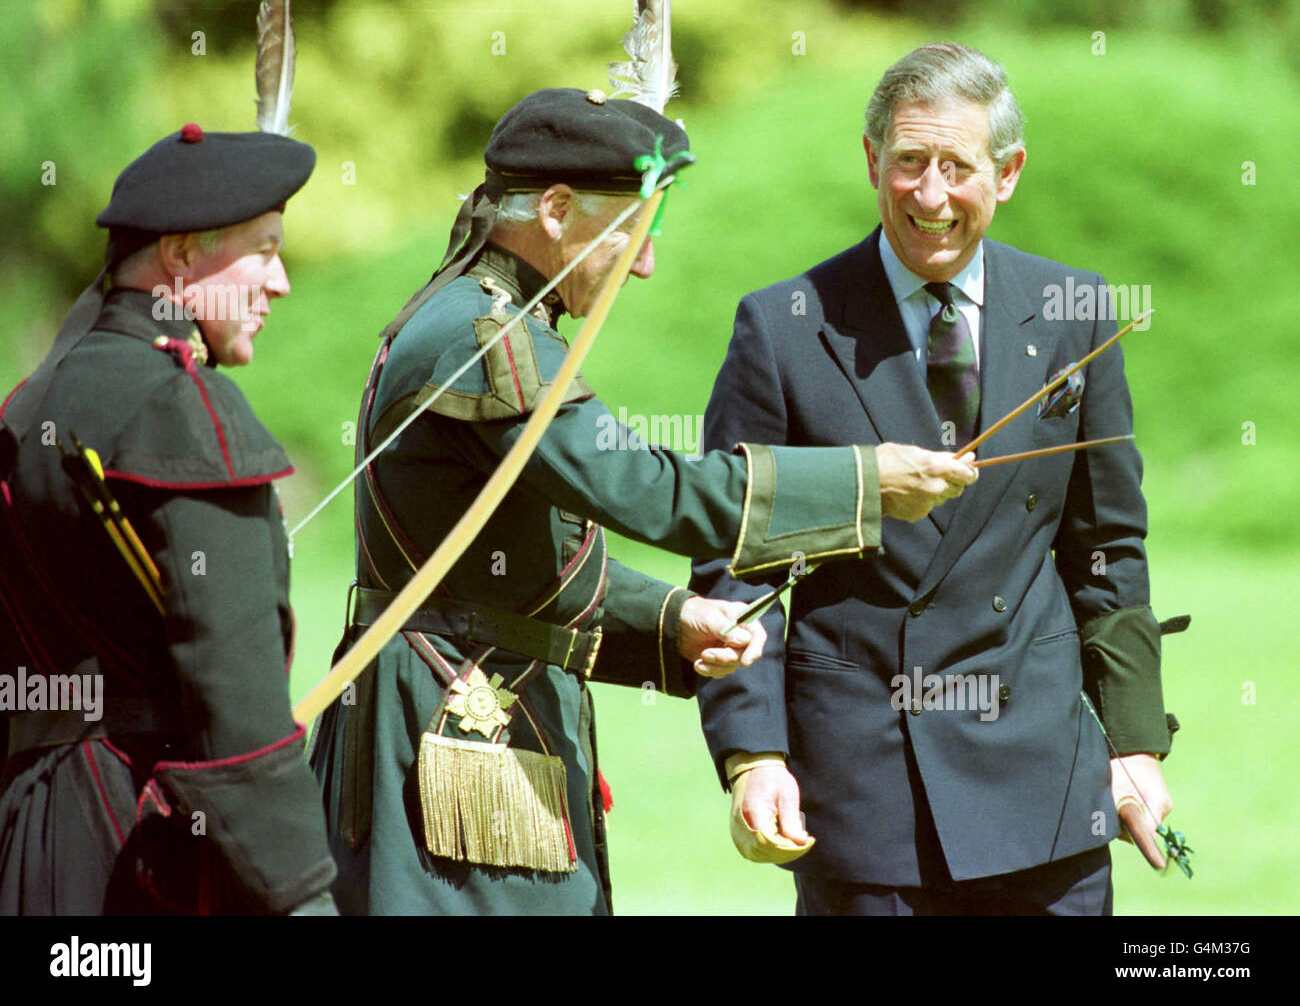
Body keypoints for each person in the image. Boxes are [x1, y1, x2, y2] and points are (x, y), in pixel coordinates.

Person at [307, 87, 978, 915]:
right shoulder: (484, 336)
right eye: (633, 232)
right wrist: (863, 484)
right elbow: (645, 488)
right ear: (554, 210)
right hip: (443, 732)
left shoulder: (492, 316)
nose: (647, 263)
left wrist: (670, 620)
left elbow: (525, 559)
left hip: (472, 710)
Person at [692, 43, 1177, 915]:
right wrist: (753, 754)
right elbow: (736, 566)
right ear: (872, 159)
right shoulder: (783, 327)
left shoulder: (1075, 310)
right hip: (869, 797)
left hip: (1047, 788)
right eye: (909, 162)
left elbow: (1106, 547)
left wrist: (1136, 743)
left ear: (1010, 171)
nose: (930, 195)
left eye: (958, 166)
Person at [0, 124, 337, 914]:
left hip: (32, 838)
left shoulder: (31, 400)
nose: (280, 281)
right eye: (263, 249)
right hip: (145, 853)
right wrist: (304, 894)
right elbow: (236, 698)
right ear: (182, 256)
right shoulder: (179, 407)